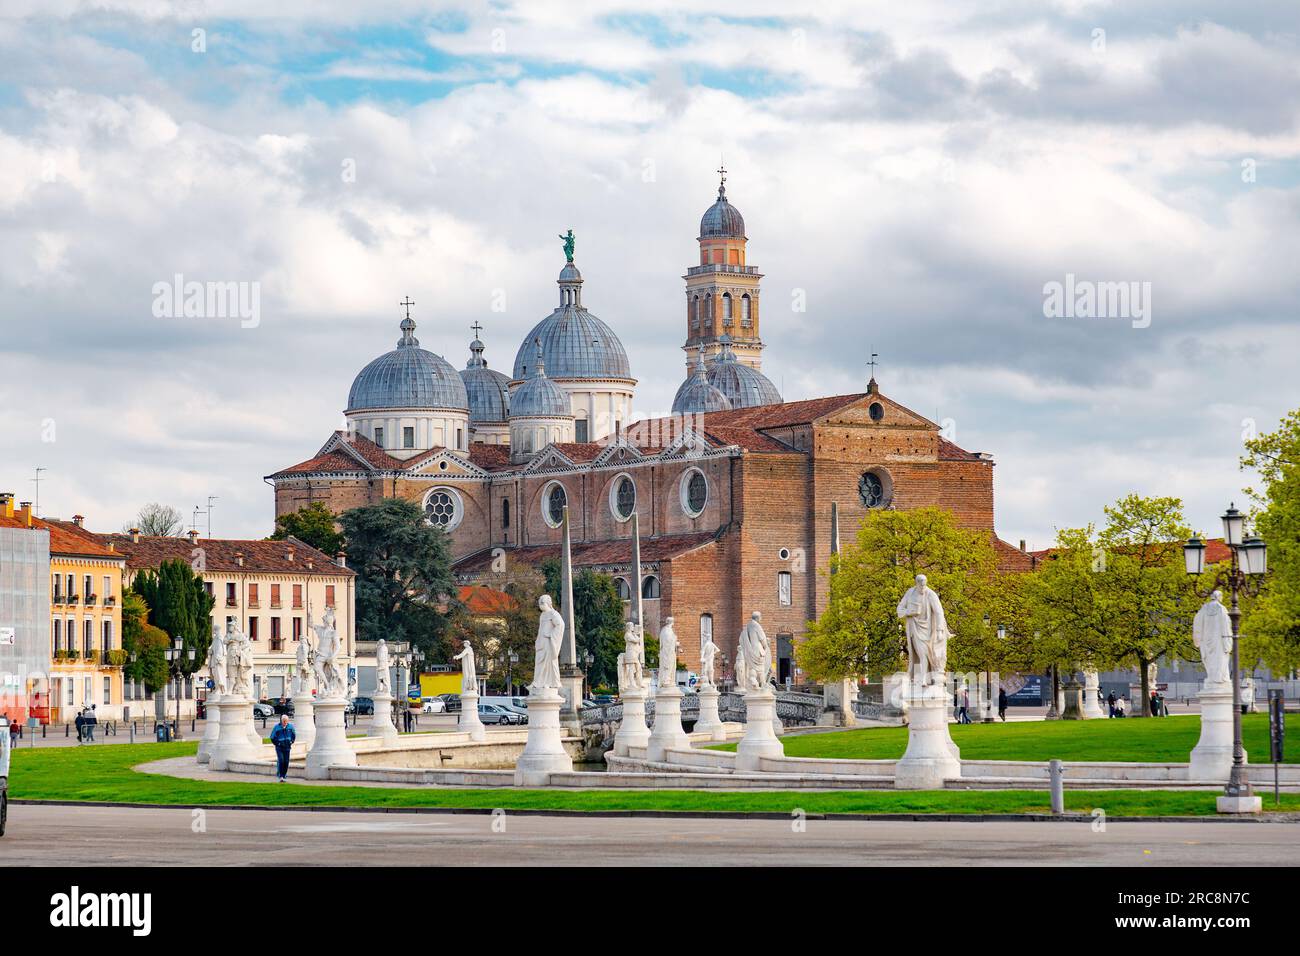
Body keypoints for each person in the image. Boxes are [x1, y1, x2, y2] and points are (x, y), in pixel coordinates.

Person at [269, 714, 296, 782]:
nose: (285, 722)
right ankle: (281, 776)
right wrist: (278, 743)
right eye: (284, 721)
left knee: (286, 762)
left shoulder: (290, 727)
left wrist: (291, 741)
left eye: (286, 721)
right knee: (281, 760)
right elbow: (272, 737)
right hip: (279, 748)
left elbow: (294, 735)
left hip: (287, 747)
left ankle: (284, 775)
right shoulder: (277, 727)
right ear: (281, 721)